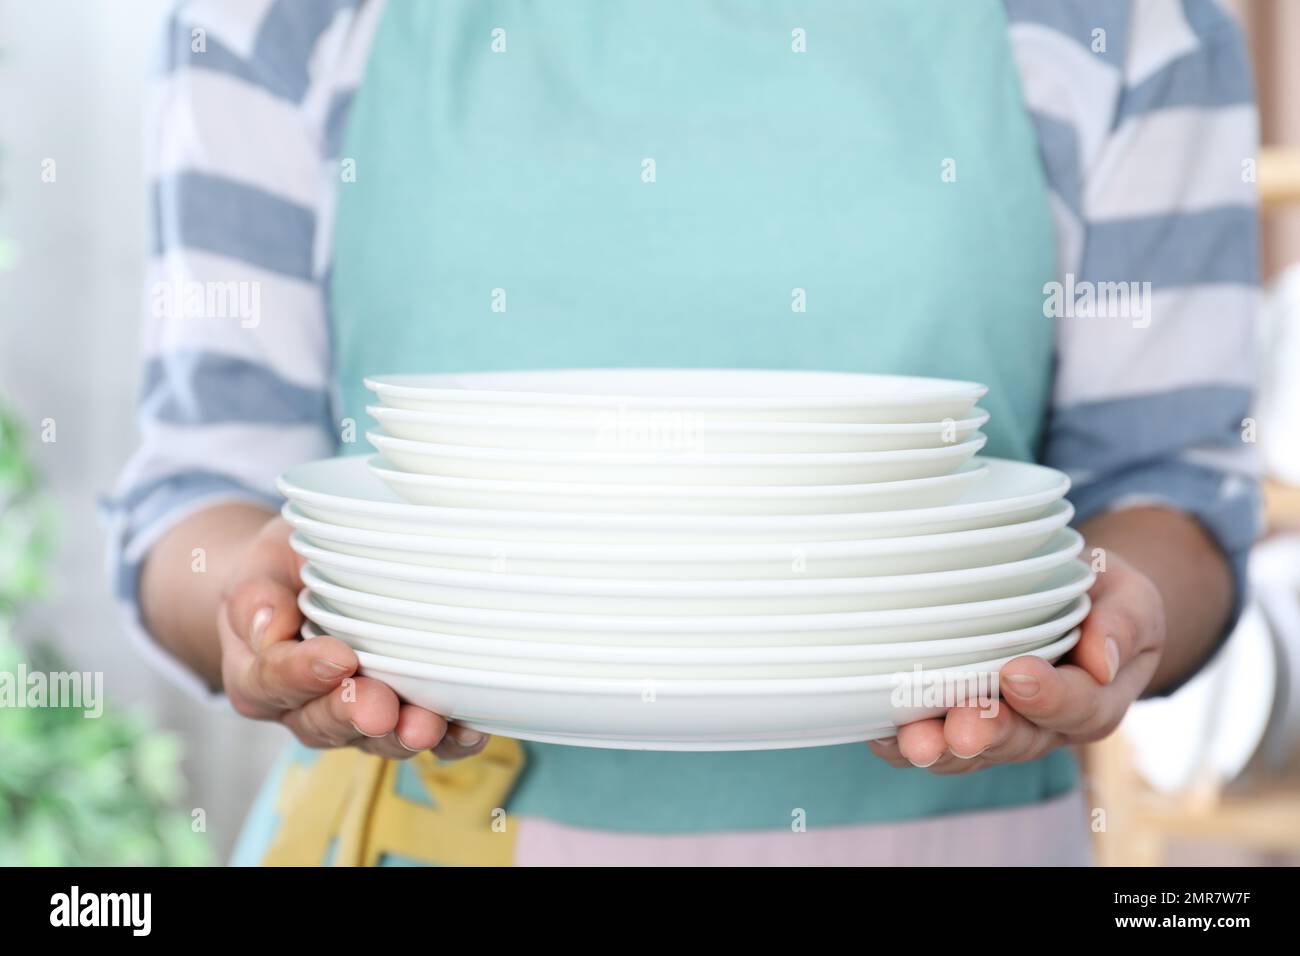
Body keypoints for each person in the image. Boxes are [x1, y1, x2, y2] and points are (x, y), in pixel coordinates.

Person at [108, 0, 1261, 865]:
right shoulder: (271, 18)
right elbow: (194, 498)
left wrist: (1117, 614)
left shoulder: (1127, 23)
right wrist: (258, 621)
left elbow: (1169, 497)